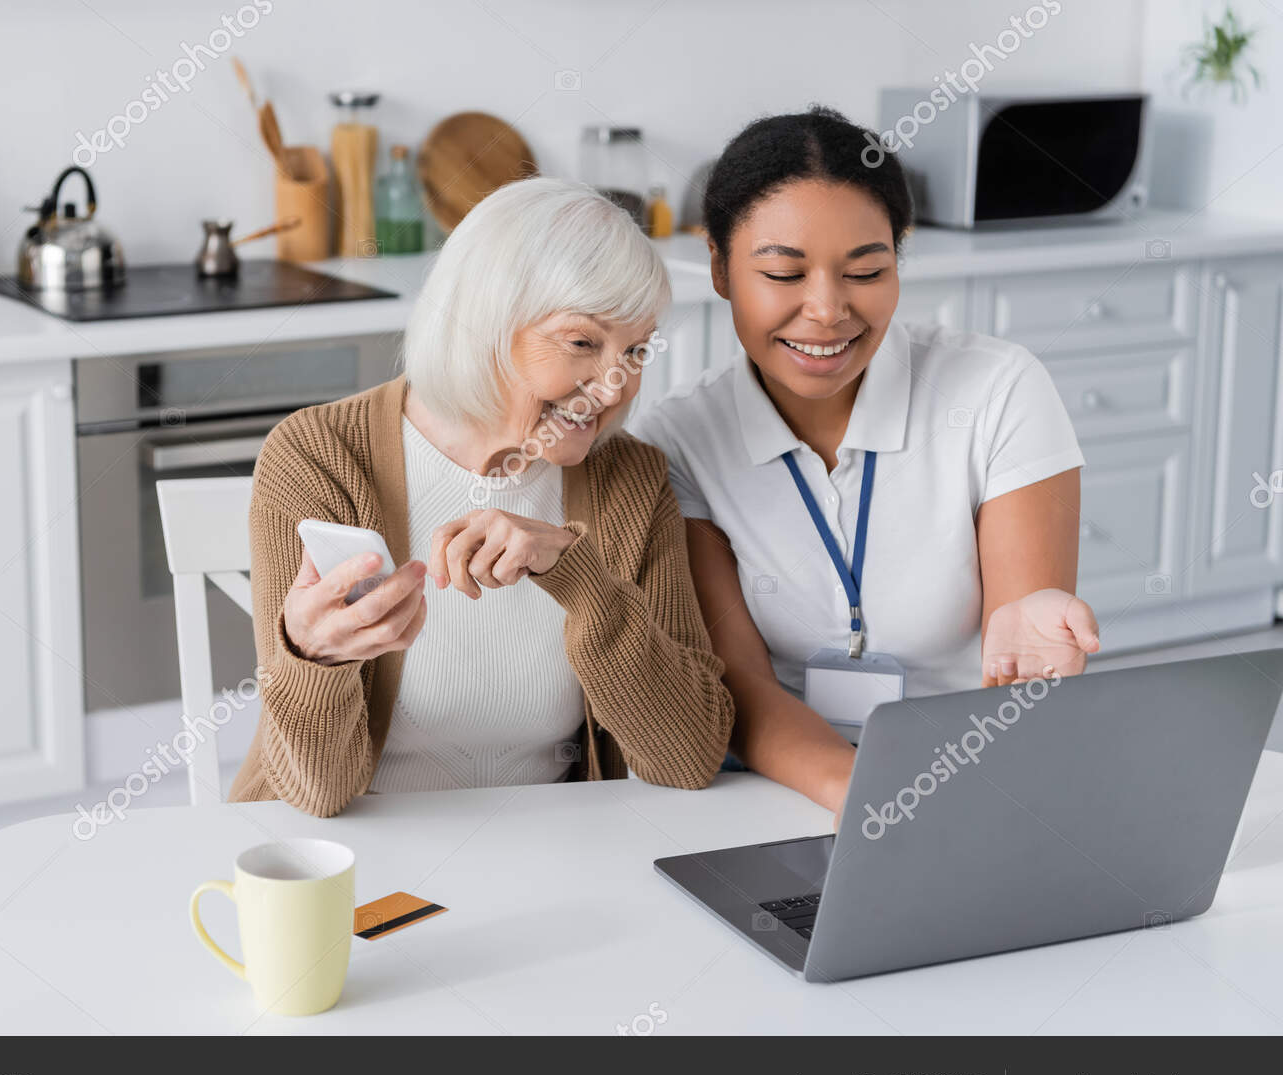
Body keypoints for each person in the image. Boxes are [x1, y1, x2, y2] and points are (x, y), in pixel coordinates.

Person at [628, 106, 1099, 815]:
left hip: (976, 778)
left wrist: (1032, 628)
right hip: (787, 785)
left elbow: (1016, 660)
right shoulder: (682, 438)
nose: (827, 310)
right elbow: (743, 689)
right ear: (721, 268)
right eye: (784, 273)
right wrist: (868, 797)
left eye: (867, 270)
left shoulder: (998, 389)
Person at [228, 177, 734, 816]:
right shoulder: (322, 456)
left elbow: (688, 759)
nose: (614, 388)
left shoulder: (629, 480)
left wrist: (582, 580)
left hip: (553, 855)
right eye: (583, 343)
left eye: (635, 351)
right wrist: (313, 660)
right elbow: (317, 796)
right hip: (355, 853)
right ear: (484, 323)